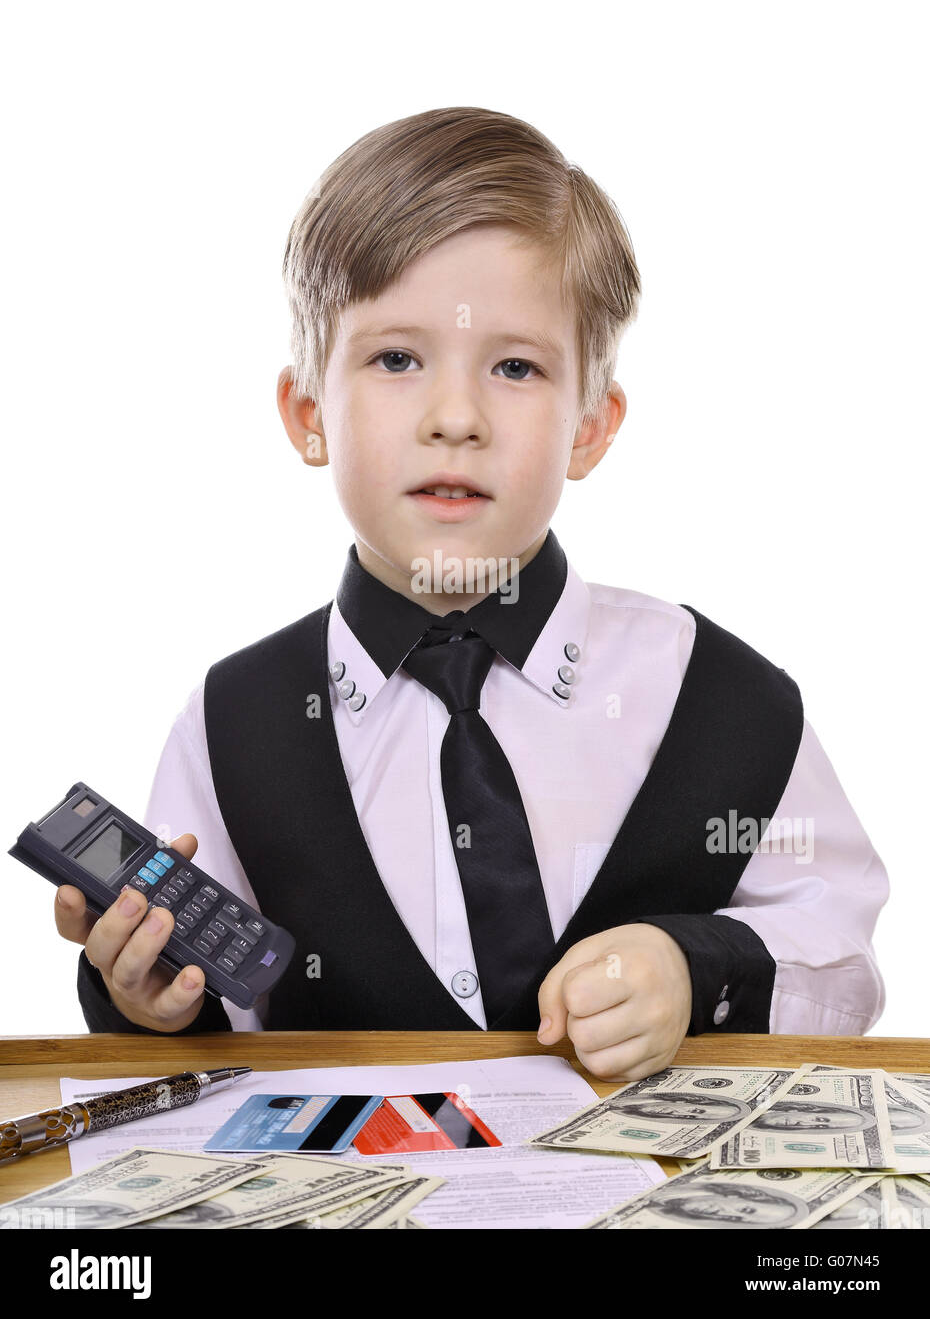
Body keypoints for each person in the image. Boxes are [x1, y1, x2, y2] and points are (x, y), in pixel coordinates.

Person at [55, 107, 889, 1082]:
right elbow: (211, 1024)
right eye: (397, 359)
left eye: (516, 367)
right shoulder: (234, 724)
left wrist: (693, 967)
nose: (456, 417)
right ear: (308, 413)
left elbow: (839, 953)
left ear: (590, 424)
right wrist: (141, 997)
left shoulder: (723, 698)